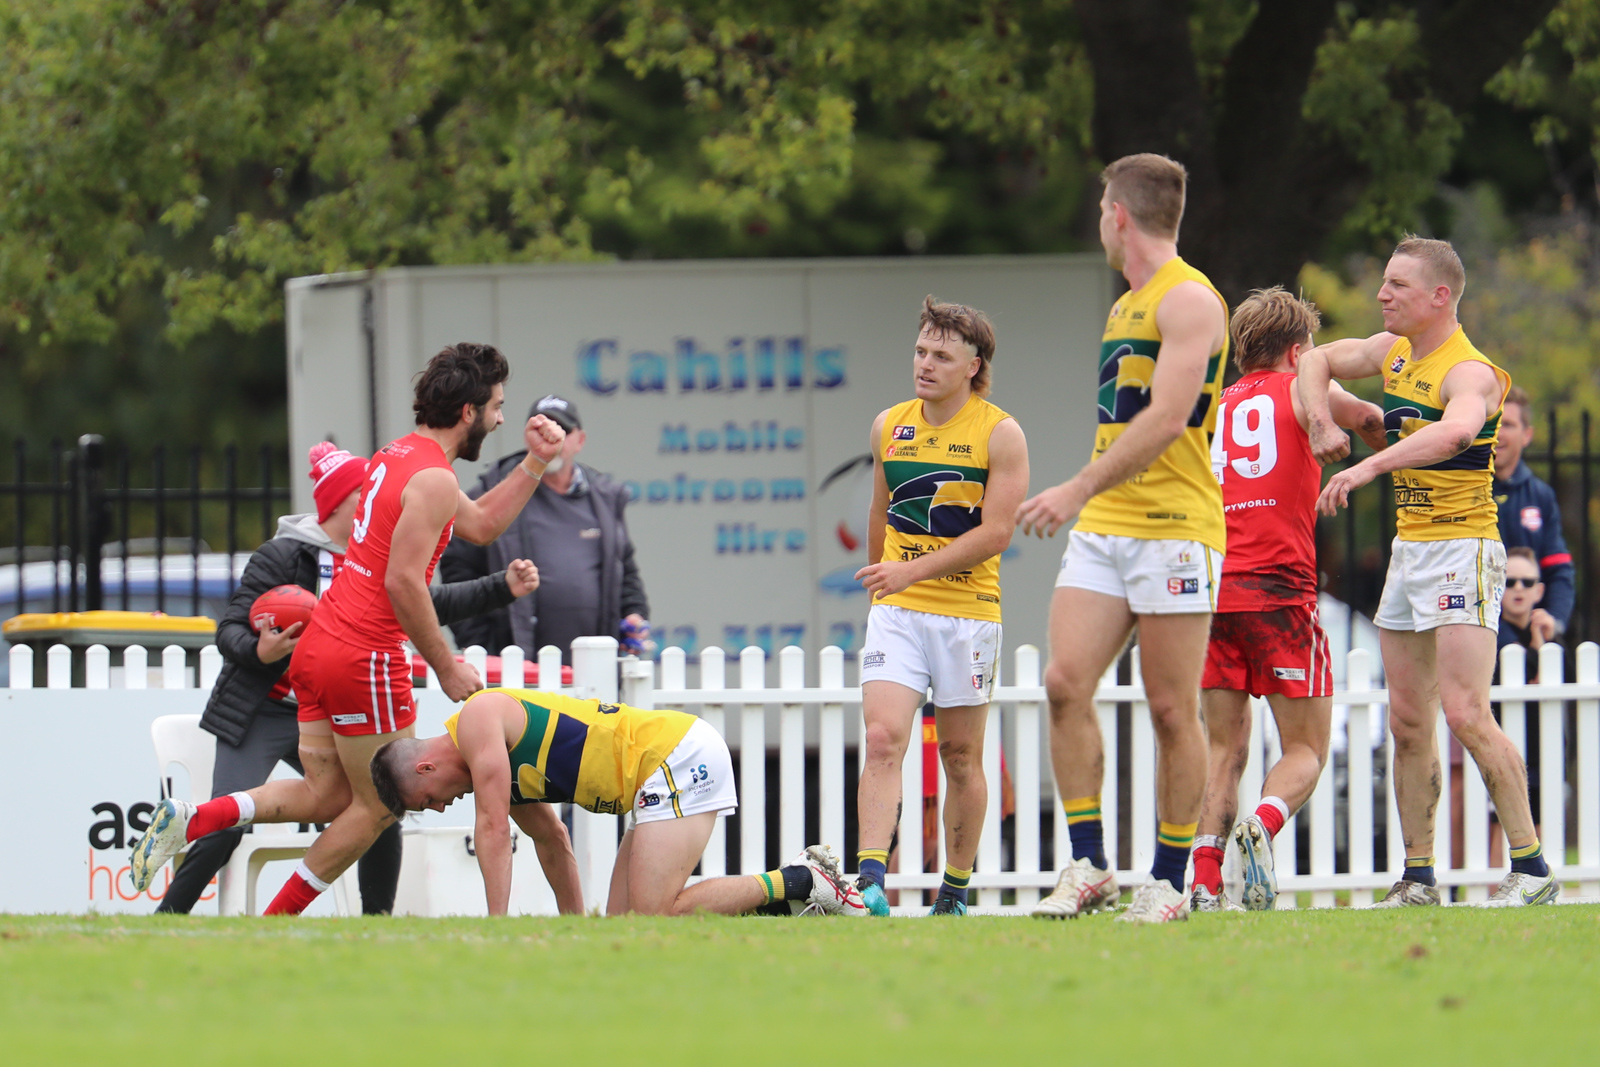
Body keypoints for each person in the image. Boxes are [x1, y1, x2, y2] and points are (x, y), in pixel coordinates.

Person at [132, 342, 569, 914]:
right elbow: (403, 585)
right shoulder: (433, 479)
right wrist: (446, 664)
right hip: (364, 656)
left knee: (328, 796)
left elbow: (482, 525)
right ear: (469, 412)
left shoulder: (395, 454)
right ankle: (273, 924)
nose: (502, 418)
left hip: (320, 647)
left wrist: (535, 462)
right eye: (496, 407)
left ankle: (193, 818)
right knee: (383, 803)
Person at [1299, 235, 1557, 908]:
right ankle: (1417, 876)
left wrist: (1366, 462)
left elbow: (1454, 433)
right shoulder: (1393, 352)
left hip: (1463, 547)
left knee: (1467, 711)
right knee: (1408, 721)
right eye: (1383, 282)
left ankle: (1530, 866)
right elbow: (1315, 359)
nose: (1382, 295)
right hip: (1410, 553)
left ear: (1440, 296)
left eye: (1398, 285)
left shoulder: (1469, 371)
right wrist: (1323, 422)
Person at [1018, 153, 1228, 924]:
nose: (1100, 220)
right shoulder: (1126, 305)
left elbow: (1170, 418)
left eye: (1102, 207)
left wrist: (1076, 486)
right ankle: (1090, 865)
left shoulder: (1191, 300)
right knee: (1064, 683)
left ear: (1119, 216)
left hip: (1175, 529)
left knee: (1172, 709)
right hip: (1110, 526)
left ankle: (1169, 878)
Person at [1187, 288, 1386, 913]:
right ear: (1299, 350)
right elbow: (1371, 422)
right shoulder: (1306, 387)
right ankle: (1263, 825)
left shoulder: (1216, 408)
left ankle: (1203, 880)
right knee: (1306, 748)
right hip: (1280, 588)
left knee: (1224, 749)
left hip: (1217, 591)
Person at [368, 688, 866, 917]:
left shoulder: (478, 720)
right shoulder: (491, 768)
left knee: (655, 914)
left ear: (425, 768)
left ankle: (802, 880)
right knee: (624, 931)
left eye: (428, 800)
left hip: (674, 756)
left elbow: (494, 831)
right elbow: (551, 840)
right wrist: (573, 929)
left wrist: (497, 929)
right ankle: (784, 906)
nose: (439, 807)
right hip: (658, 774)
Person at [852, 297, 1029, 917]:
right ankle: (869, 881)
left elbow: (996, 533)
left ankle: (953, 890)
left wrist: (910, 571)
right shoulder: (888, 425)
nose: (924, 365)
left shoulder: (999, 432)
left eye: (941, 355)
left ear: (973, 365)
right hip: (898, 612)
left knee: (959, 755)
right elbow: (880, 509)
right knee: (882, 738)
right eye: (921, 351)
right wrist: (885, 582)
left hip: (967, 613)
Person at [440, 394, 650, 663]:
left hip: (595, 672)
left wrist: (634, 615)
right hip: (518, 671)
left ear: (580, 441)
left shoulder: (605, 500)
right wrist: (485, 647)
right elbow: (458, 572)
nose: (553, 437)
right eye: (542, 429)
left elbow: (625, 570)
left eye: (562, 429)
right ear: (528, 436)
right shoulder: (495, 494)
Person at [1493, 386, 1573, 642]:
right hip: (1476, 634)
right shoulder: (1461, 491)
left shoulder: (1541, 496)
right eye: (1491, 424)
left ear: (1527, 435)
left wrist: (1554, 621)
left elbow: (1559, 570)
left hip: (1530, 641)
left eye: (1507, 424)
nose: (1497, 434)